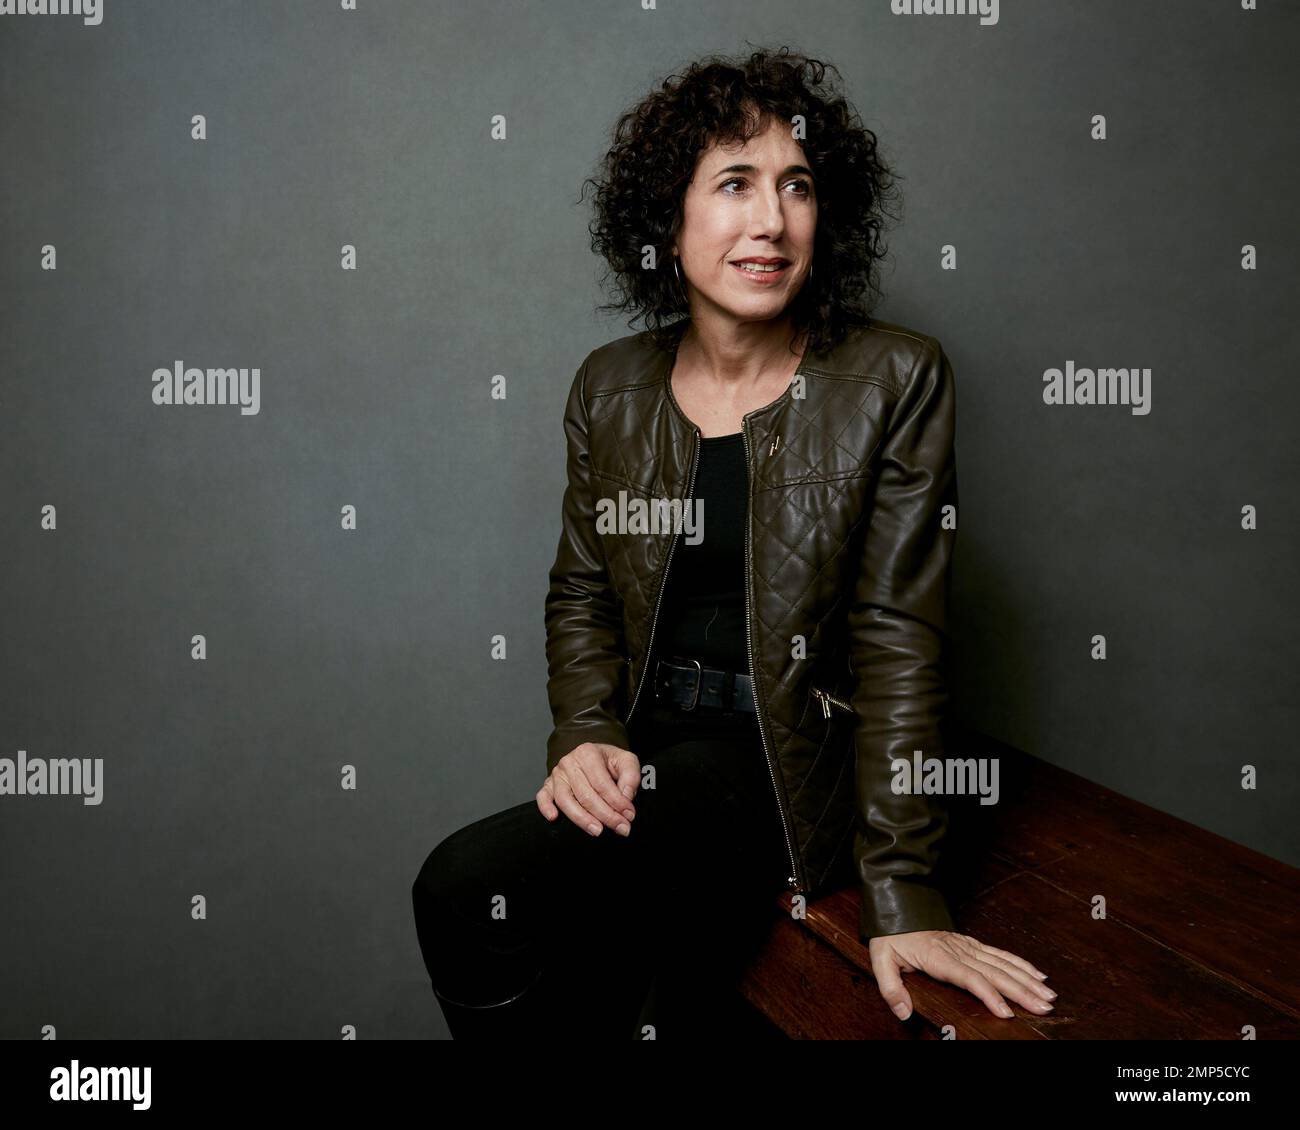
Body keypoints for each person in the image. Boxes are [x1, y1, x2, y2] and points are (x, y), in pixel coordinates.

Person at [412, 46, 1053, 1039]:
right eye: (735, 184)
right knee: (472, 893)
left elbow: (897, 640)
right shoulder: (609, 387)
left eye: (795, 185)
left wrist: (903, 893)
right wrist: (585, 728)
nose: (770, 219)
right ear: (667, 220)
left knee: (632, 974)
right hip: (658, 753)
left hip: (792, 760)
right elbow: (582, 588)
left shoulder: (892, 378)